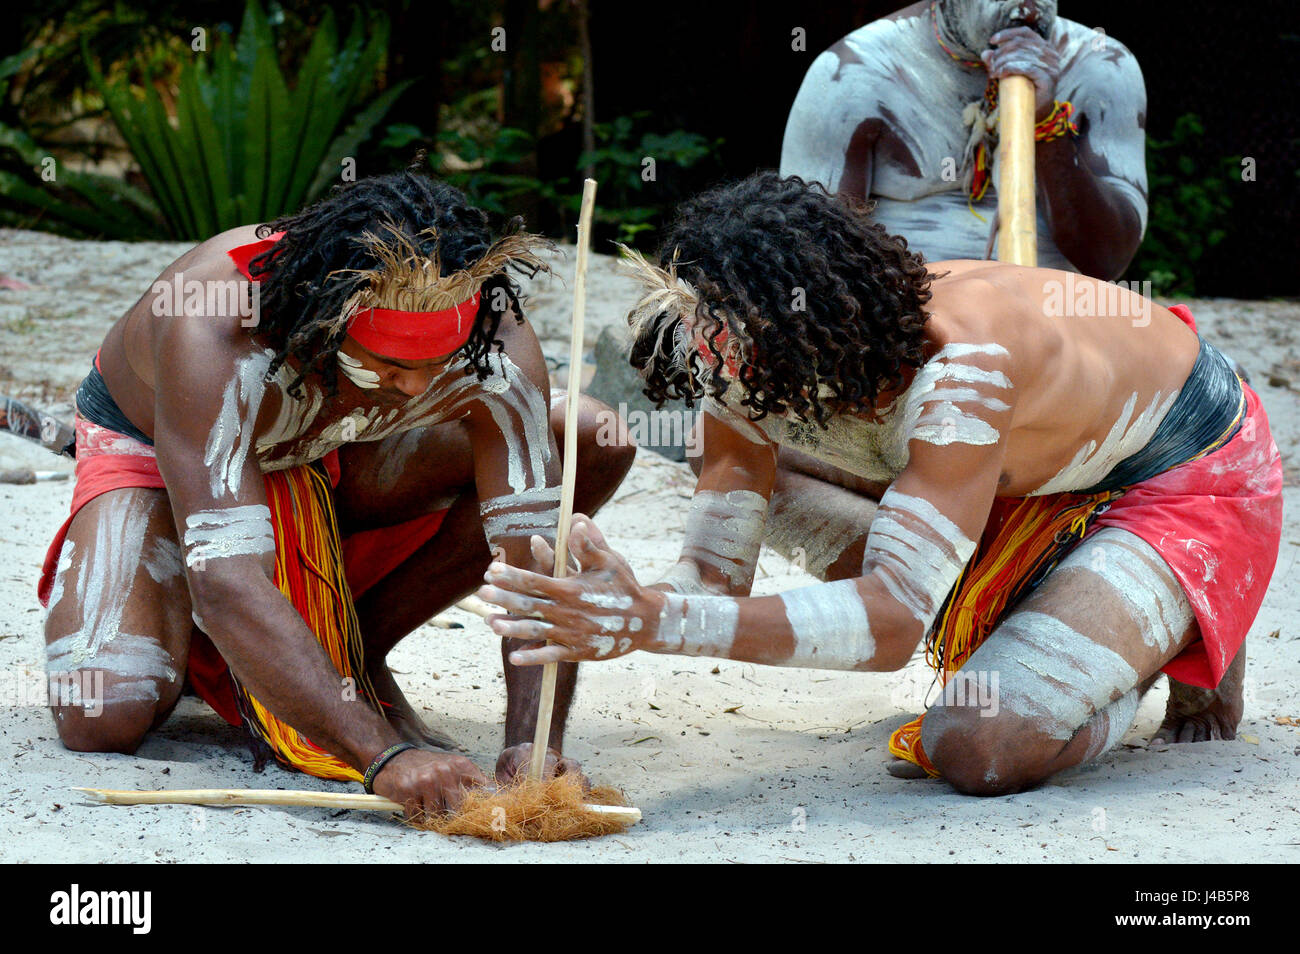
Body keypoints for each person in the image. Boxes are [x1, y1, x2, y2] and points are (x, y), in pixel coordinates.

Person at [476, 173, 1282, 795]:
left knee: (976, 744)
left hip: (1180, 473)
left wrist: (653, 622)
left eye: (738, 360)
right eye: (706, 353)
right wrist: (619, 601)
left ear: (812, 336)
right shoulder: (733, 352)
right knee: (777, 464)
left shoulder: (966, 367)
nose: (716, 379)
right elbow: (714, 580)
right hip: (1016, 478)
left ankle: (1165, 630)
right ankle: (1063, 610)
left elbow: (894, 623)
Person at [39, 162, 634, 816]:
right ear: (331, 320)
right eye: (391, 365)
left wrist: (534, 747)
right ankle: (191, 624)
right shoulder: (220, 322)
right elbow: (227, 578)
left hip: (336, 446)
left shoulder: (491, 332)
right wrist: (383, 757)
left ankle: (356, 649)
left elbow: (532, 560)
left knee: (589, 434)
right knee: (105, 709)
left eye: (436, 366)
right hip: (164, 446)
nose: (417, 386)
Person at [781, 0, 1147, 279]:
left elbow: (1107, 262)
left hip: (1055, 331)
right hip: (905, 330)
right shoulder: (854, 72)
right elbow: (814, 267)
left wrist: (1047, 123)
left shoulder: (1101, 66)